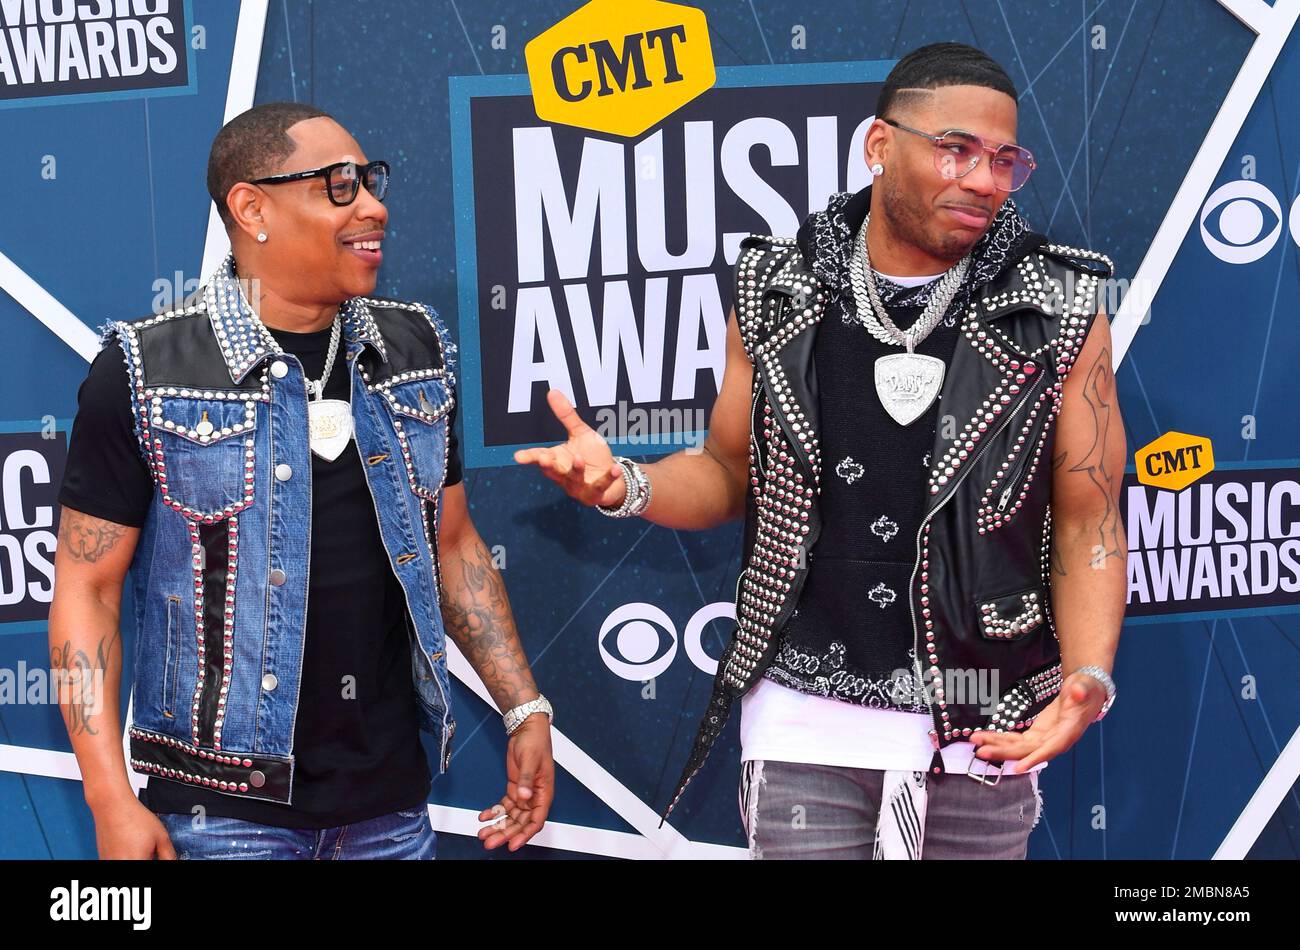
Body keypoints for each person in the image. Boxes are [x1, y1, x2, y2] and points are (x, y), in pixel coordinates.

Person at [516, 42, 1126, 859]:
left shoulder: (1058, 302)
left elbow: (1090, 518)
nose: (983, 181)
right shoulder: (777, 286)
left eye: (1003, 160)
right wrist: (626, 484)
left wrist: (1090, 675)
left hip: (990, 722)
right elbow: (729, 472)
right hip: (806, 720)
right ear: (879, 145)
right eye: (956, 150)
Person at [51, 102, 554, 859]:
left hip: (391, 811)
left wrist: (522, 707)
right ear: (251, 207)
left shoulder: (414, 349)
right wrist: (107, 797)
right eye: (339, 186)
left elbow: (452, 545)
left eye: (371, 181)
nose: (374, 206)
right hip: (217, 819)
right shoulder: (146, 372)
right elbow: (86, 589)